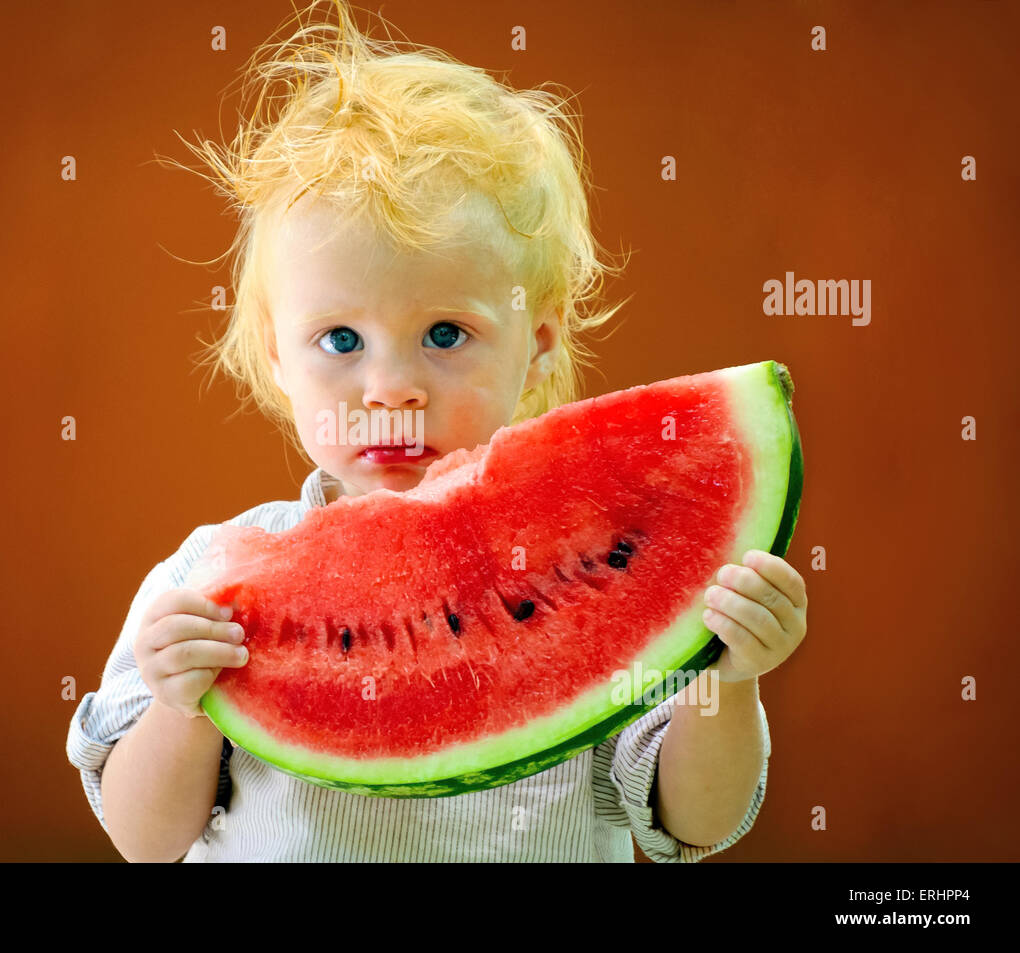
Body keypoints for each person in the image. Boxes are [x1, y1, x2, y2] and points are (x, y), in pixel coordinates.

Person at [67, 0, 807, 862]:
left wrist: (730, 676)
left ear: (538, 344)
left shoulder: (598, 568)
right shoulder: (210, 581)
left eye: (446, 335)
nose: (390, 389)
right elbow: (142, 839)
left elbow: (693, 820)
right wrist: (181, 705)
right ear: (276, 356)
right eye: (340, 340)